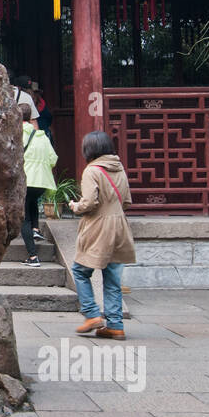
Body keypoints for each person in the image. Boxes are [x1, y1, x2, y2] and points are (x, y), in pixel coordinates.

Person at [68, 130, 135, 340]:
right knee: (113, 278)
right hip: (120, 227)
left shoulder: (92, 171)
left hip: (99, 227)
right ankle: (115, 325)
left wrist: (75, 206)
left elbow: (89, 203)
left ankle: (92, 314)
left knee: (80, 271)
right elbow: (126, 201)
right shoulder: (120, 168)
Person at [18, 103, 57, 268]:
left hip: (26, 180)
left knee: (24, 218)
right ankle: (36, 229)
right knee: (32, 201)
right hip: (42, 182)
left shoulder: (17, 134)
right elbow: (53, 158)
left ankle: (33, 256)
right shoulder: (41, 136)